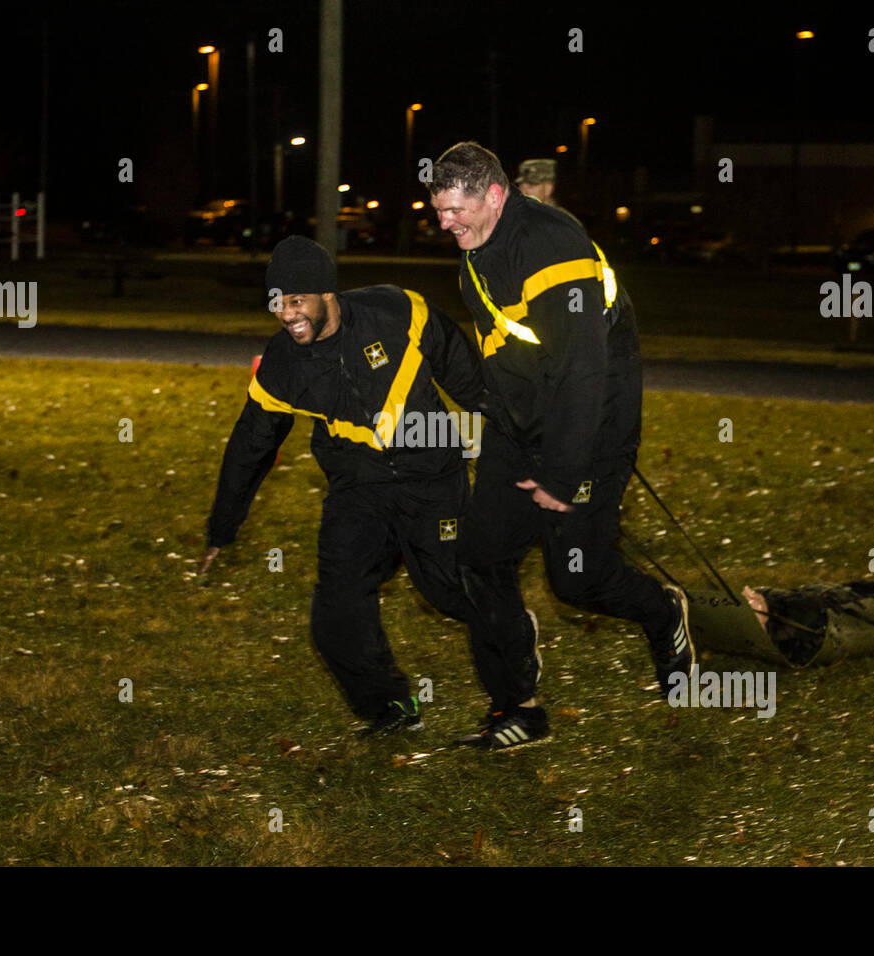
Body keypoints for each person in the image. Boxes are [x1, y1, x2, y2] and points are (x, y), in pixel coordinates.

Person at [427, 141, 696, 750]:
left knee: (576, 579)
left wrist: (560, 474)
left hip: (591, 424)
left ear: (494, 195)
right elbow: (505, 341)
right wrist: (496, 413)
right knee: (480, 557)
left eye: (455, 210)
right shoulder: (479, 245)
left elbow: (582, 374)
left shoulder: (553, 248)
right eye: (439, 211)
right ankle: (517, 708)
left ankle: (663, 613)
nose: (446, 223)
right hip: (522, 425)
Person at [199, 236, 490, 735]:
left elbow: (467, 376)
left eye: (296, 300)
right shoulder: (283, 364)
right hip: (358, 486)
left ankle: (511, 638)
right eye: (277, 304)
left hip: (431, 476)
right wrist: (222, 526)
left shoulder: (397, 311)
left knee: (446, 591)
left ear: (326, 293)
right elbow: (251, 444)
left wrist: (517, 432)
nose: (287, 315)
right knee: (334, 615)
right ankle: (390, 707)